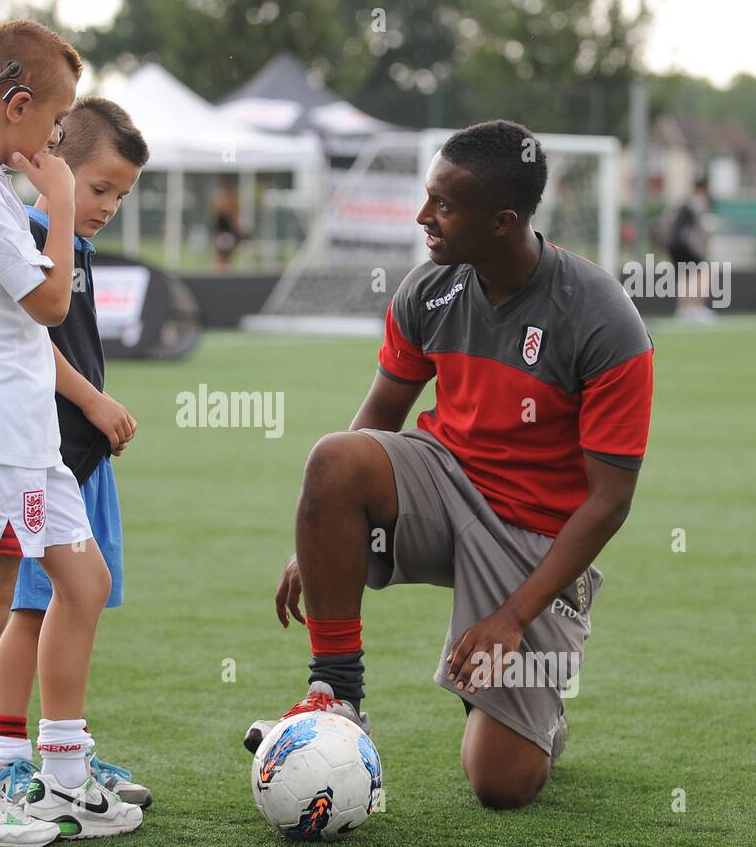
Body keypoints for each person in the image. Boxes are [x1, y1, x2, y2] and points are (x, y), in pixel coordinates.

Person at [245, 120, 655, 810]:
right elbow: (377, 419)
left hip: (537, 536)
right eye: (427, 198)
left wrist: (511, 619)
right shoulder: (430, 289)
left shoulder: (602, 319)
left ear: (502, 222)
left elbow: (609, 500)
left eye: (443, 206)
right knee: (334, 458)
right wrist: (313, 537)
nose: (422, 217)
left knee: (502, 785)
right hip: (444, 484)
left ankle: (536, 716)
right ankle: (337, 695)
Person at [0, 19, 141, 847]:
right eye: (53, 121)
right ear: (15, 106)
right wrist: (63, 202)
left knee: (81, 586)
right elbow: (49, 304)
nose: (55, 137)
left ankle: (66, 779)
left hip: (24, 438)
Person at [0, 97, 153, 809]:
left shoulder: (72, 246)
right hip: (40, 458)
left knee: (75, 602)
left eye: (120, 195)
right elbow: (32, 341)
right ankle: (4, 757)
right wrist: (91, 400)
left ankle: (66, 748)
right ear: (54, 170)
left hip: (81, 462)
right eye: (100, 188)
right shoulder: (26, 235)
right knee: (31, 607)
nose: (110, 205)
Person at [667, 176, 716, 324]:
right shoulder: (696, 201)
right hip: (684, 244)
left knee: (686, 276)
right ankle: (696, 308)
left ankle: (684, 309)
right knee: (704, 272)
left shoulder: (683, 202)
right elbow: (700, 228)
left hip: (673, 245)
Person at [209, 177, 245, 266]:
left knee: (225, 257)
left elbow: (235, 220)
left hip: (227, 233)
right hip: (222, 232)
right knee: (221, 257)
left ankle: (223, 269)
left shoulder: (232, 203)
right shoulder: (220, 203)